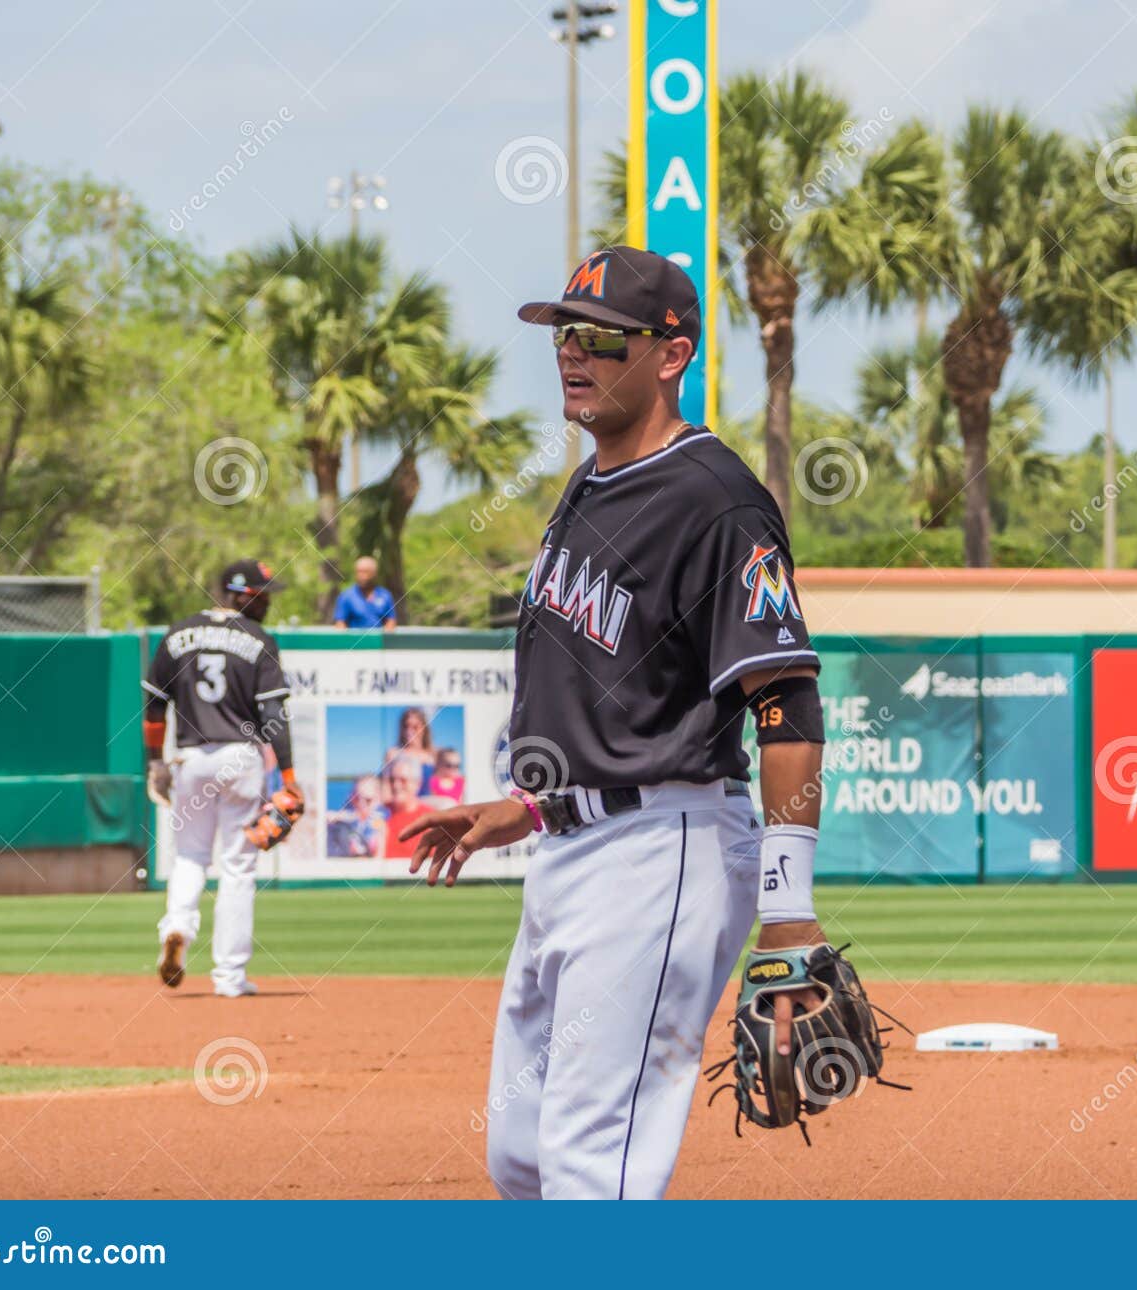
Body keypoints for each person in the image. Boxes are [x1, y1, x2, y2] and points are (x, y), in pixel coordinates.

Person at [399, 246, 831, 1199]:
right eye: (565, 333)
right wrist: (524, 808)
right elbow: (620, 697)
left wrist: (787, 912)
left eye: (600, 337)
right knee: (521, 1157)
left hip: (658, 852)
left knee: (594, 1166)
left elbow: (786, 705)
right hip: (569, 849)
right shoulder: (591, 483)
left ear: (671, 355)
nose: (572, 351)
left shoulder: (717, 501)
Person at [143, 558, 301, 998]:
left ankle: (177, 927)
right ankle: (229, 977)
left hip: (191, 758)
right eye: (260, 595)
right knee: (237, 866)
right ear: (238, 595)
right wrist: (289, 776)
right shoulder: (258, 640)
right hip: (240, 757)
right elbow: (274, 714)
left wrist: (155, 762)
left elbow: (153, 708)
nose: (267, 603)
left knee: (190, 856)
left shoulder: (178, 634)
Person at [380, 755, 430, 859]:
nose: (396, 785)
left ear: (418, 783)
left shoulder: (431, 820)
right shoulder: (378, 813)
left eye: (403, 780)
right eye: (392, 780)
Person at [333, 556, 397, 629]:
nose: (362, 576)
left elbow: (391, 621)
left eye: (365, 572)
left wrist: (387, 631)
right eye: (359, 571)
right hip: (355, 636)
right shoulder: (346, 596)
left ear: (374, 573)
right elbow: (340, 623)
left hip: (378, 636)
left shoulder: (385, 595)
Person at [382, 706, 435, 788]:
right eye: (406, 726)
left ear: (424, 728)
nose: (409, 731)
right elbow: (386, 786)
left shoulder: (433, 755)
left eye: (415, 727)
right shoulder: (392, 754)